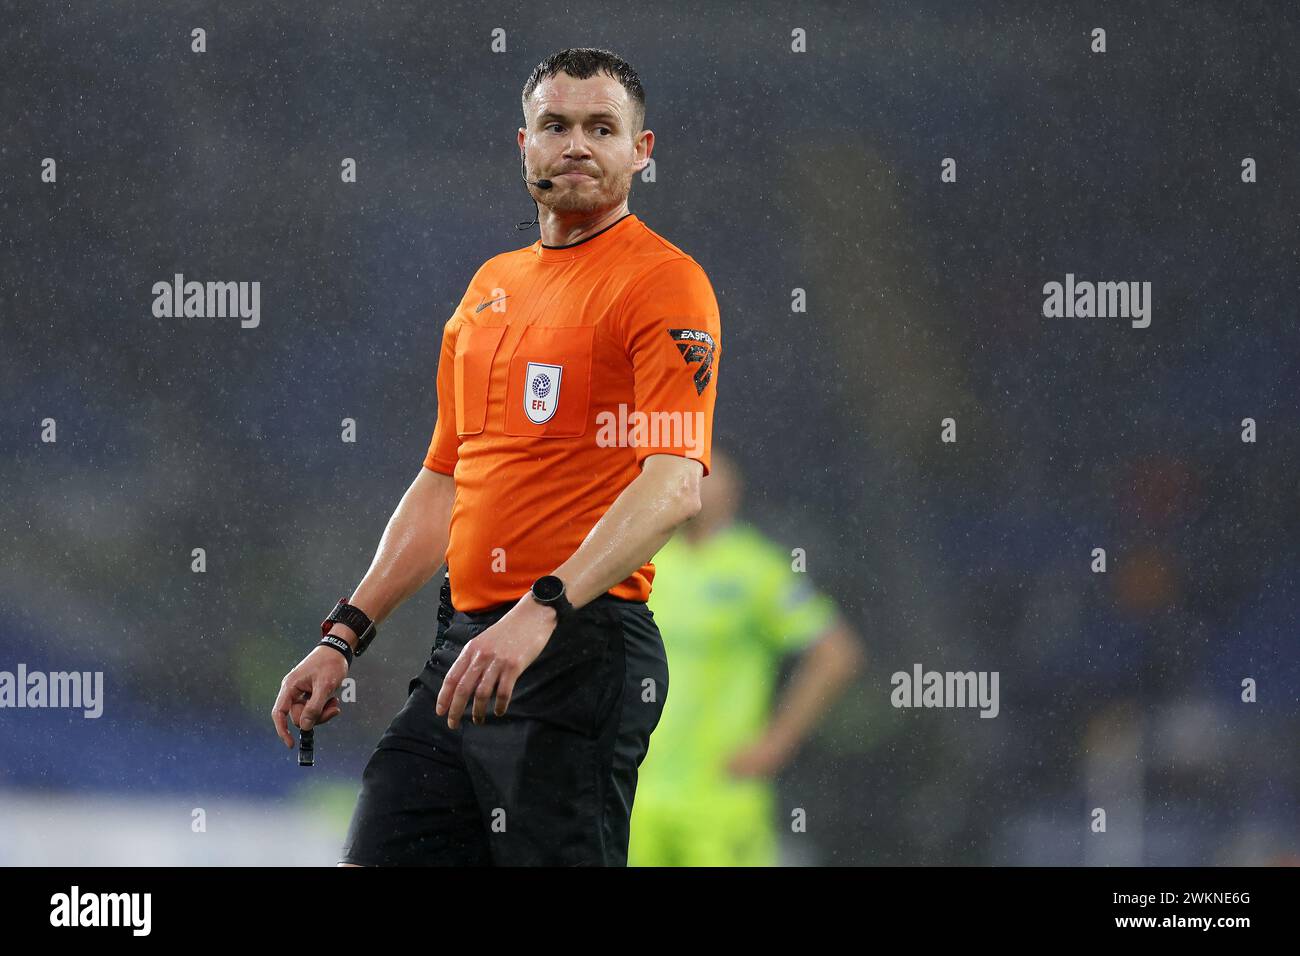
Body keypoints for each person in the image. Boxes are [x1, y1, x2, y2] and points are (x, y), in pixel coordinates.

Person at [270, 47, 723, 866]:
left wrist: (542, 610)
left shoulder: (665, 283)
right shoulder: (490, 288)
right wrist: (344, 634)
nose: (576, 144)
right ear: (525, 145)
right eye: (556, 125)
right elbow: (446, 477)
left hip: (577, 647)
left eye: (601, 128)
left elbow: (674, 485)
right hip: (467, 648)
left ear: (641, 152)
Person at [627, 448, 864, 866]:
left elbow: (835, 654)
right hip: (639, 791)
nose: (698, 481)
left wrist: (777, 743)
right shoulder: (647, 559)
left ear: (732, 490)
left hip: (720, 794)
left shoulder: (758, 570)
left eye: (707, 473)